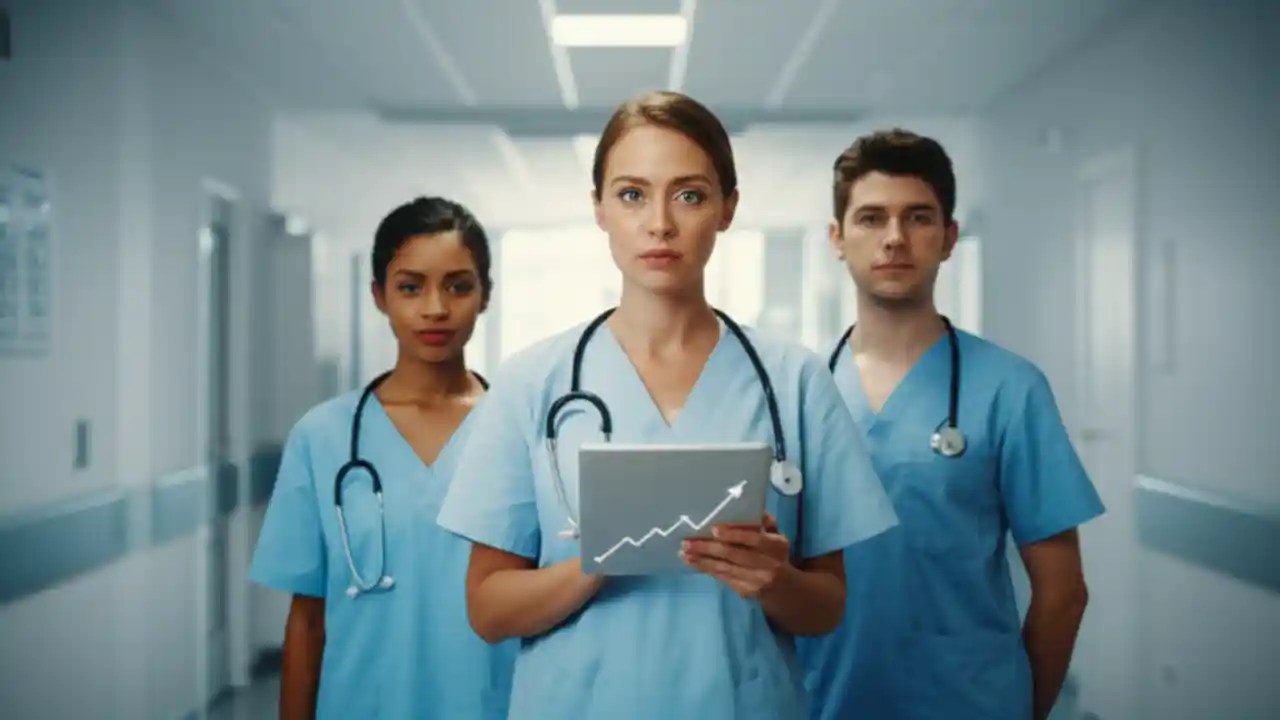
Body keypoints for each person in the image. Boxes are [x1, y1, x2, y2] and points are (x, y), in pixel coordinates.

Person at [434, 90, 898, 720]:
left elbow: (827, 606)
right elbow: (488, 611)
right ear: (598, 208)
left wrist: (774, 579)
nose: (660, 223)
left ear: (727, 208)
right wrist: (599, 562)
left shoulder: (794, 380)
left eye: (689, 195)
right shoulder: (532, 384)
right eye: (631, 194)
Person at [795, 129, 1105, 720]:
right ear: (837, 238)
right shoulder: (798, 391)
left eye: (918, 217)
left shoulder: (1010, 389)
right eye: (870, 218)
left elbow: (1064, 593)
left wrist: (1019, 711)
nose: (893, 239)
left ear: (949, 238)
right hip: (822, 702)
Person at [247, 196, 518, 719]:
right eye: (410, 286)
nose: (435, 307)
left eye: (459, 285)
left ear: (485, 295)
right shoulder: (323, 437)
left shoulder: (520, 430)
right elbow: (307, 620)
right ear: (379, 295)